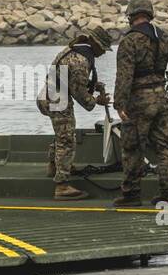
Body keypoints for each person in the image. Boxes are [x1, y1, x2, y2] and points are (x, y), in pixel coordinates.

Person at [112, 0, 168, 207]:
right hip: (161, 98)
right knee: (164, 148)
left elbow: (124, 76)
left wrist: (119, 104)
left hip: (138, 100)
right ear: (149, 14)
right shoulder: (166, 38)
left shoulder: (129, 41)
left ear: (131, 16)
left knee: (133, 148)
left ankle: (132, 194)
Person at [37, 25, 112, 199]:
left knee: (62, 133)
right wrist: (97, 100)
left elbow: (70, 79)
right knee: (67, 139)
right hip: (58, 100)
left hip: (49, 95)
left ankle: (54, 166)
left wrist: (93, 86)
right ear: (95, 44)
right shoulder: (81, 61)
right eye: (103, 49)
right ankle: (62, 185)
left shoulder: (72, 50)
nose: (104, 53)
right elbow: (81, 95)